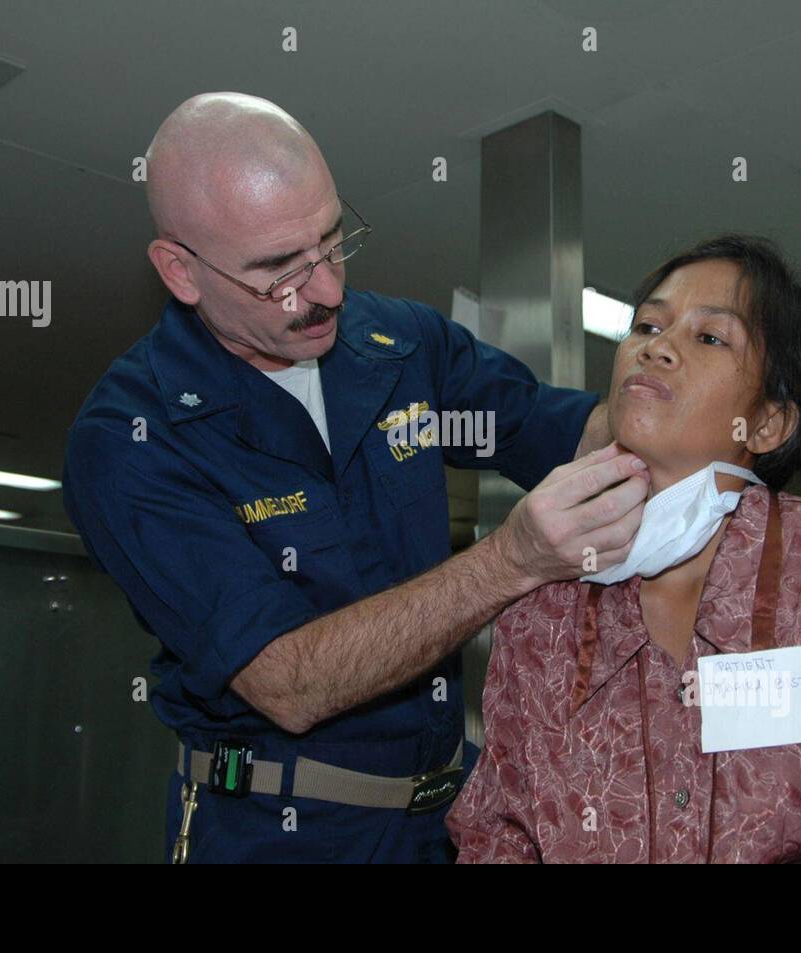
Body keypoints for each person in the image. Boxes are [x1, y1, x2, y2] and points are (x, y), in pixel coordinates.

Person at [61, 92, 648, 863]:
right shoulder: (132, 440)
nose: (329, 291)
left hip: (448, 819)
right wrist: (514, 561)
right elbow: (289, 683)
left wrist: (698, 384)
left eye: (333, 241)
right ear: (182, 271)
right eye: (278, 271)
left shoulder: (401, 343)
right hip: (279, 831)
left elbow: (571, 434)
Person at [446, 235, 801, 863]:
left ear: (769, 423)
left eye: (709, 338)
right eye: (646, 325)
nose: (657, 346)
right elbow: (497, 830)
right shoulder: (550, 589)